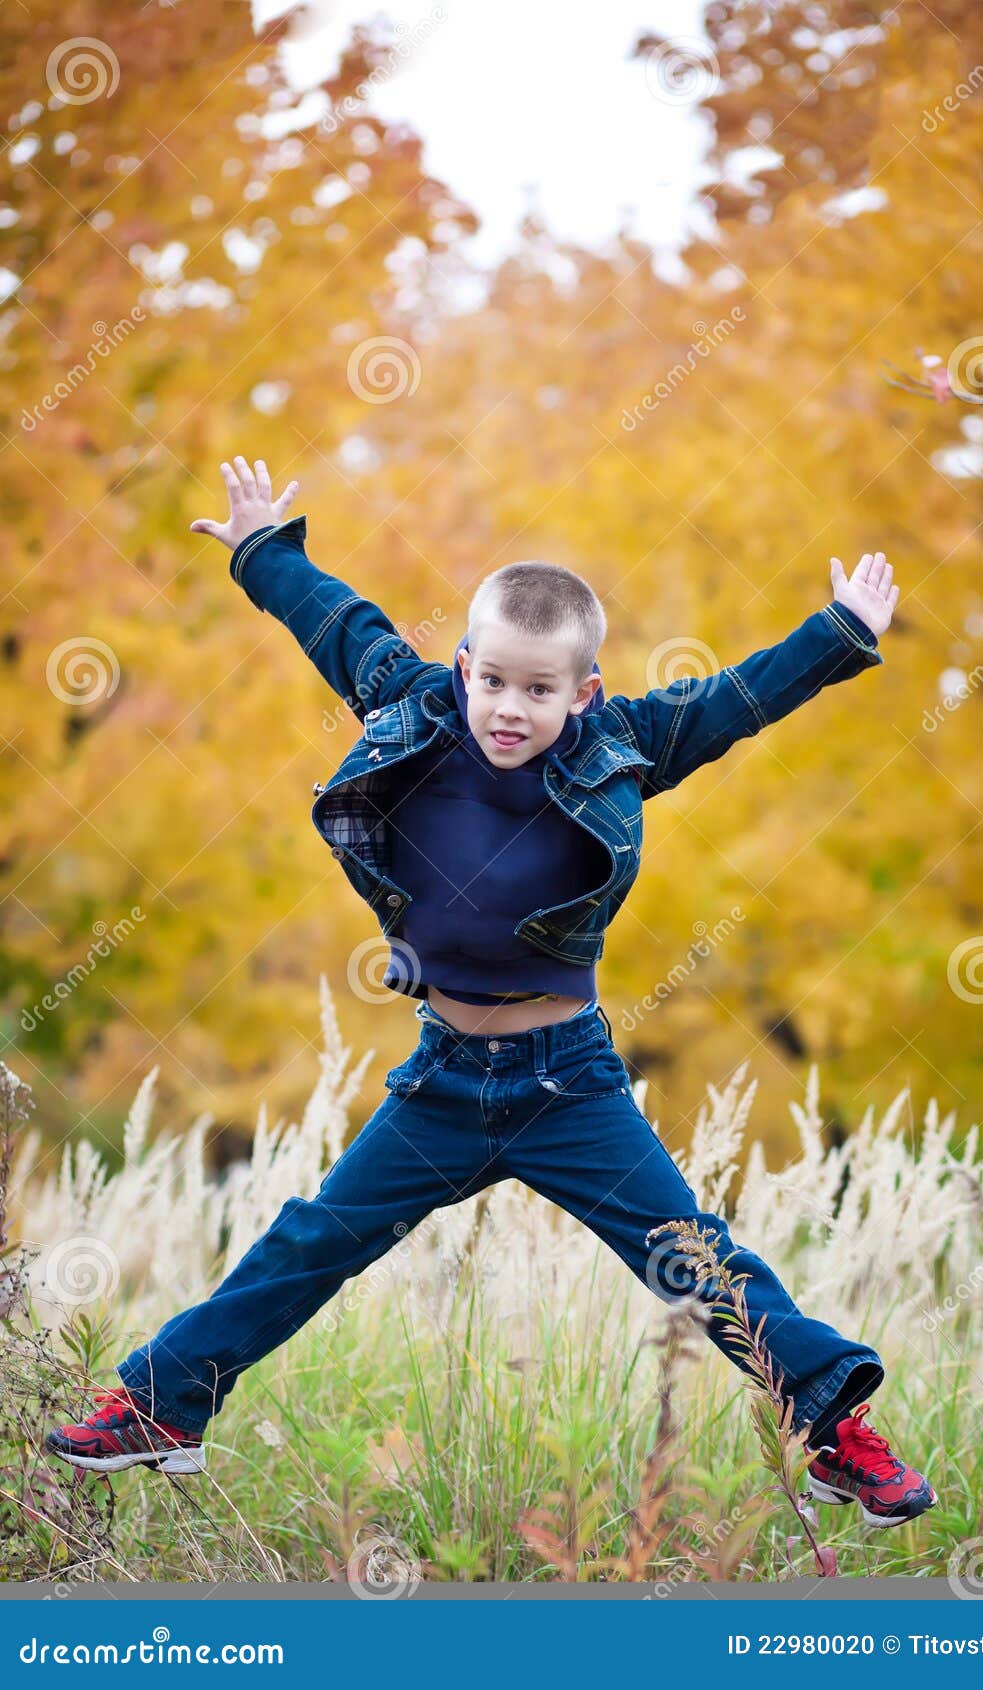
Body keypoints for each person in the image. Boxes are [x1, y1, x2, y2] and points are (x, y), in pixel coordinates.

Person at [45, 457, 935, 1528]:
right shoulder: (413, 705)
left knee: (693, 1258)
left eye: (539, 689)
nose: (509, 709)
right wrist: (261, 548)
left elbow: (733, 702)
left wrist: (837, 631)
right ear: (463, 665)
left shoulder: (622, 746)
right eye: (493, 680)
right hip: (443, 1080)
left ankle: (835, 1435)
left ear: (581, 691)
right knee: (313, 1235)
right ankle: (158, 1406)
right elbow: (338, 622)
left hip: (568, 1085)